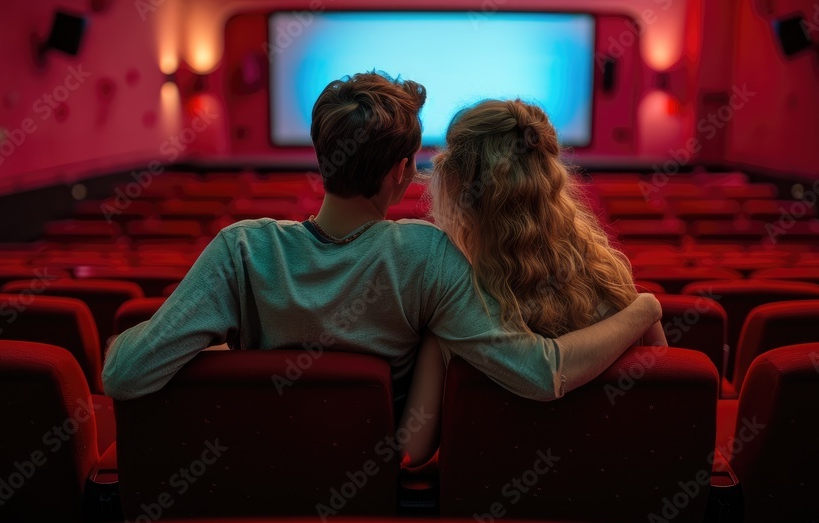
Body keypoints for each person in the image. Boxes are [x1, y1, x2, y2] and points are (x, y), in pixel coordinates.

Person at [102, 73, 662, 464]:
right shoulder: (428, 256)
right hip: (372, 501)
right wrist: (644, 306)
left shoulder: (241, 250)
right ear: (400, 171)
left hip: (249, 486)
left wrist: (217, 353)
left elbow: (124, 375)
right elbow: (537, 376)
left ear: (321, 155)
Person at [400, 99, 668, 466]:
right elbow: (659, 401)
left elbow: (413, 450)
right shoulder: (613, 286)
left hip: (487, 509)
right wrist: (646, 308)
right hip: (609, 501)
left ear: (460, 186)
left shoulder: (453, 314)